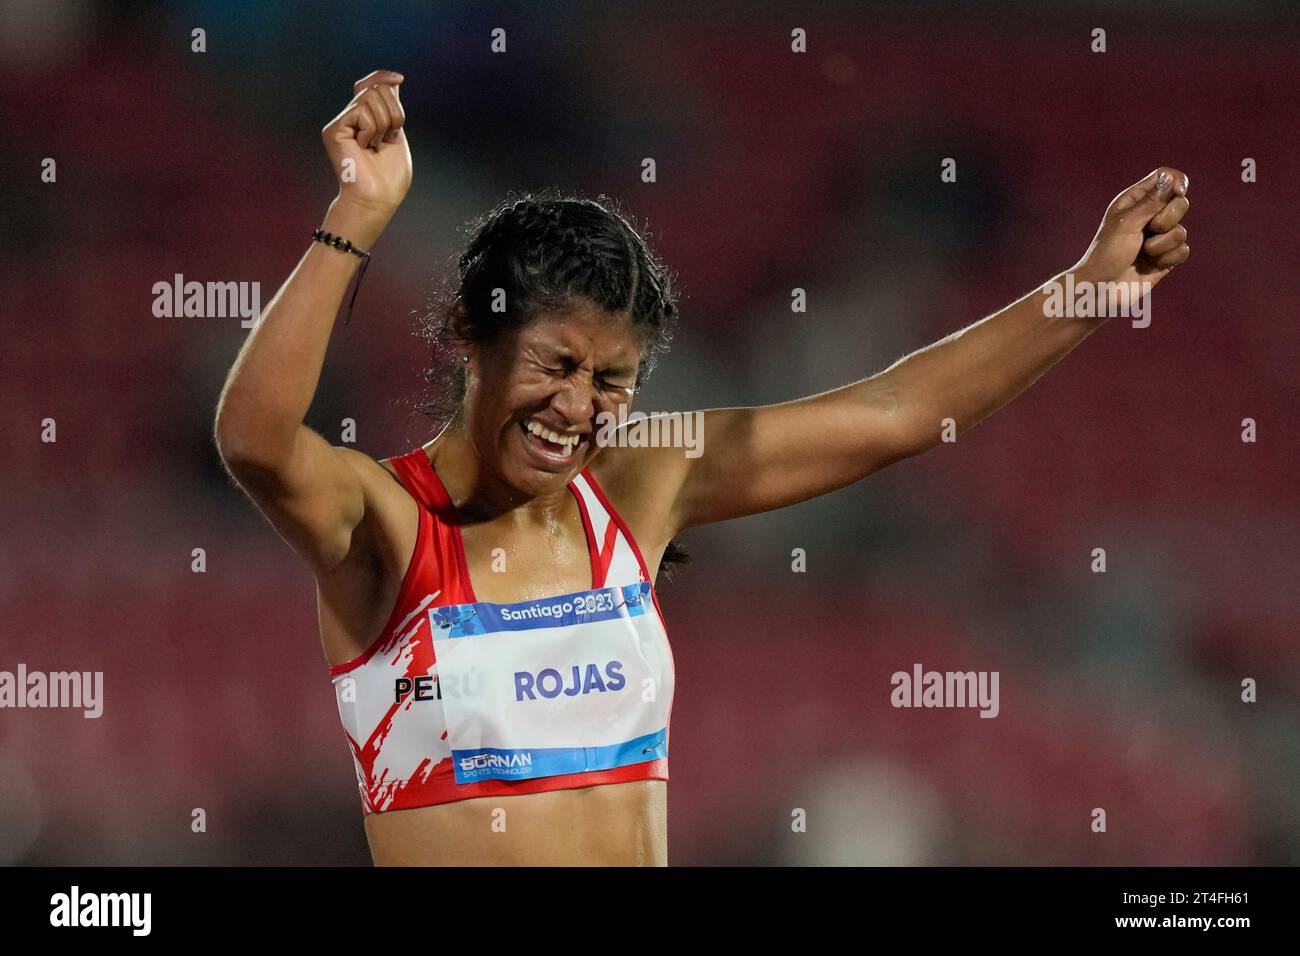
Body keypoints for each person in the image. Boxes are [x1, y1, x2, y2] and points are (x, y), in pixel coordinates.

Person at [214, 70, 1190, 866]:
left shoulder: (640, 484)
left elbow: (893, 411)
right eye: (555, 365)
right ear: (472, 337)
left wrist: (1085, 292)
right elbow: (256, 439)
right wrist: (357, 215)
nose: (580, 409)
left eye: (613, 380)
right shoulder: (386, 517)